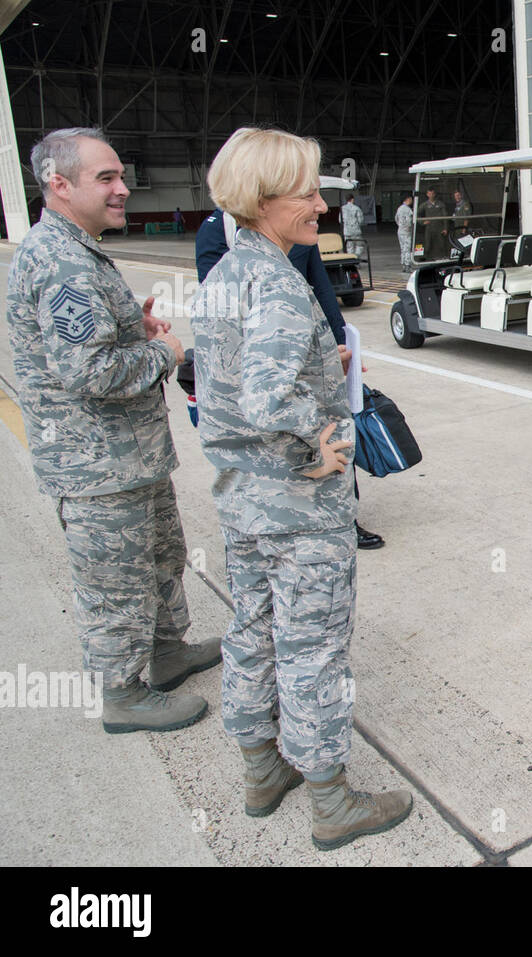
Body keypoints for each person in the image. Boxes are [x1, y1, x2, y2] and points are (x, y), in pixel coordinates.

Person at [191, 127, 411, 850]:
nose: (322, 204)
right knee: (312, 645)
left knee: (253, 627)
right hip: (296, 501)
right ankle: (330, 798)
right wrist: (321, 431)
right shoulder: (281, 284)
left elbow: (224, 382)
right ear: (263, 199)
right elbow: (263, 397)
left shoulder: (228, 272)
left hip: (243, 498)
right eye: (308, 192)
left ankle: (262, 768)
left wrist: (323, 359)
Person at [5, 127, 216, 734]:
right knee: (114, 584)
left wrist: (133, 329)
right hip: (96, 468)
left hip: (130, 458)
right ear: (59, 184)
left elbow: (90, 347)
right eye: (107, 178)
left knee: (159, 560)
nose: (124, 189)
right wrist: (165, 353)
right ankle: (122, 694)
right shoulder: (62, 261)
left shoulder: (79, 248)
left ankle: (168, 652)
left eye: (121, 176)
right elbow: (89, 371)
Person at [195, 207, 386, 551]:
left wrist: (335, 344)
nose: (321, 205)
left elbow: (321, 288)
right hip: (268, 363)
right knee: (315, 438)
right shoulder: (220, 234)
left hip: (306, 352)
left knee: (335, 430)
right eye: (306, 191)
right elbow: (224, 322)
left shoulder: (298, 234)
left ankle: (348, 515)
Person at [419, 188, 447, 260]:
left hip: (439, 227)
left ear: (434, 194)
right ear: (427, 194)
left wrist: (445, 228)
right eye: (429, 194)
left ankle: (444, 257)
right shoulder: (424, 204)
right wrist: (422, 222)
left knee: (442, 244)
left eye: (432, 193)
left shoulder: (440, 204)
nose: (431, 195)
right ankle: (426, 258)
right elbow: (417, 214)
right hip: (429, 227)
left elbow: (445, 217)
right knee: (428, 245)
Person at [395, 193, 415, 271]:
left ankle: (403, 264)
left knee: (402, 248)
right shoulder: (408, 209)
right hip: (406, 231)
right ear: (408, 199)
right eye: (411, 199)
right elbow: (409, 221)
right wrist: (408, 227)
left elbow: (396, 219)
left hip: (400, 230)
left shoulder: (399, 208)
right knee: (408, 248)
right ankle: (407, 265)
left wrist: (401, 226)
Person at [340, 193, 364, 258]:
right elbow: (360, 220)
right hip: (356, 231)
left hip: (347, 232)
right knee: (359, 245)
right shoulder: (356, 208)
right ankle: (356, 258)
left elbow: (340, 220)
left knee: (349, 247)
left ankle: (351, 260)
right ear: (352, 199)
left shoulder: (342, 208)